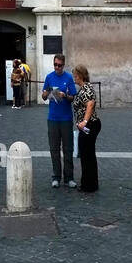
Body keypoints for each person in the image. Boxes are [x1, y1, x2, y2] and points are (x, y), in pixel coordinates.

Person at [42, 54, 77, 188]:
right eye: (55, 65)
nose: (57, 67)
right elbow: (44, 96)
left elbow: (72, 97)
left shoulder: (68, 77)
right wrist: (45, 94)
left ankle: (69, 178)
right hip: (52, 118)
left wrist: (65, 95)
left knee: (68, 149)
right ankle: (56, 176)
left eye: (59, 65)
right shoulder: (49, 77)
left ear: (63, 65)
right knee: (54, 149)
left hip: (66, 119)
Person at [72, 64, 101, 193]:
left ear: (80, 75)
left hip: (89, 126)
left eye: (75, 75)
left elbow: (90, 104)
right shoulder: (84, 88)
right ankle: (91, 184)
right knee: (88, 154)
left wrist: (84, 121)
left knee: (86, 155)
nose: (74, 77)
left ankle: (88, 185)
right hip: (88, 126)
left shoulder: (87, 88)